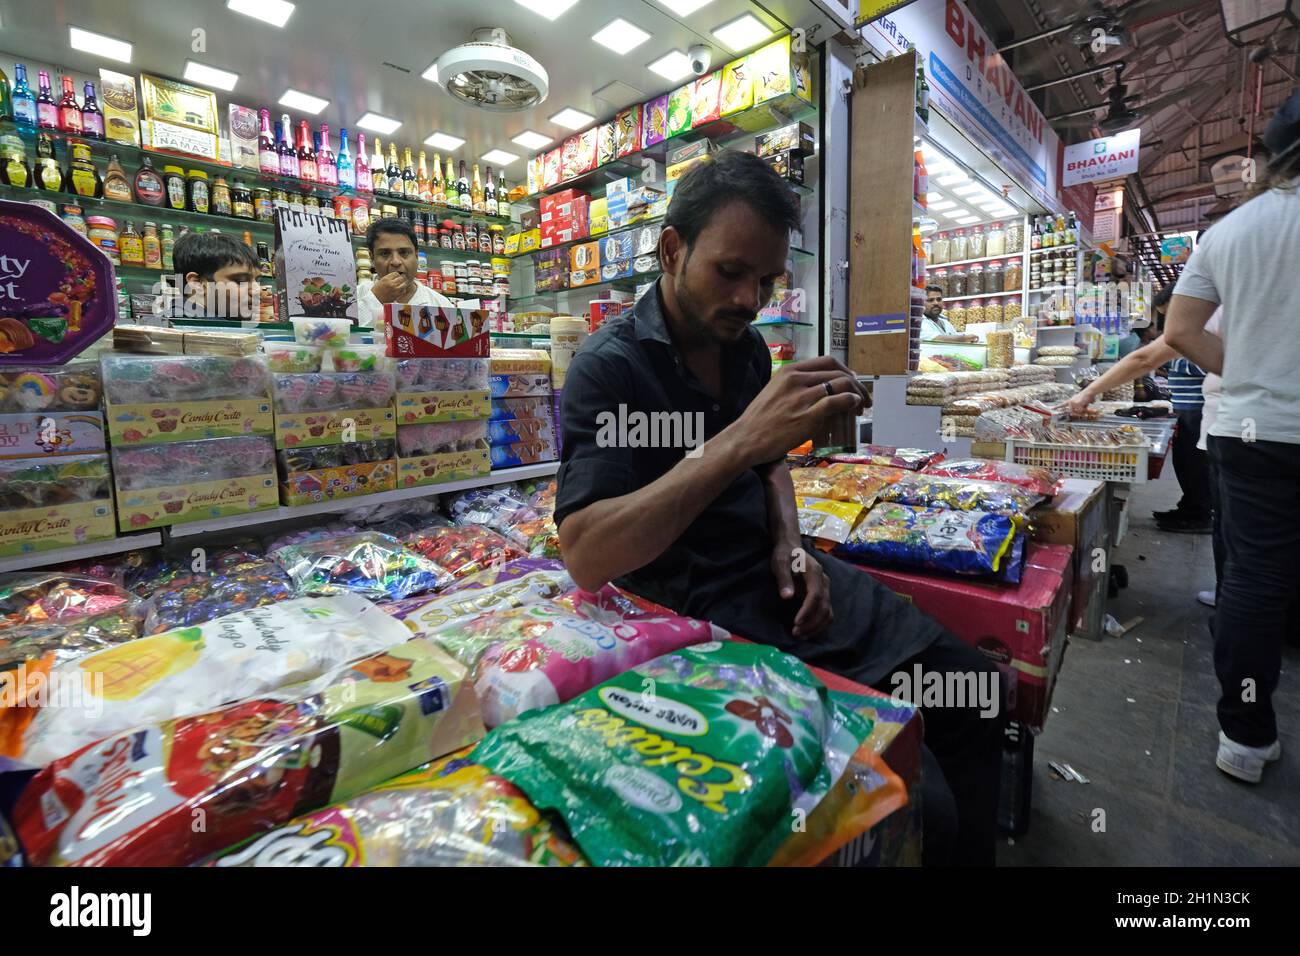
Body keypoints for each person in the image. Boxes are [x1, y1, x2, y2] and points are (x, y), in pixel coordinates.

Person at [556, 151, 1005, 865]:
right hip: (699, 621)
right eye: (729, 272)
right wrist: (734, 443)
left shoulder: (747, 352)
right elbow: (586, 553)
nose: (747, 299)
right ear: (672, 249)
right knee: (925, 805)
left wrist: (791, 544)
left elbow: (772, 468)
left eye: (765, 281)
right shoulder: (611, 367)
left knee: (980, 690)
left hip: (784, 589)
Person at [1163, 87, 1300, 785]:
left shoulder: (1231, 232)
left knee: (1251, 577)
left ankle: (1244, 736)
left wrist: (1253, 372)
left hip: (1252, 430)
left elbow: (1179, 332)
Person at [356, 218, 455, 328]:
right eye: (385, 253)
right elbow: (339, 334)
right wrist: (375, 299)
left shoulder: (441, 305)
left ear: (416, 256)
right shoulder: (355, 296)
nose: (396, 261)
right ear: (372, 258)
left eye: (404, 252)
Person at [168, 230, 261, 320]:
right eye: (241, 280)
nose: (257, 290)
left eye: (257, 281)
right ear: (197, 283)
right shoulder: (188, 330)